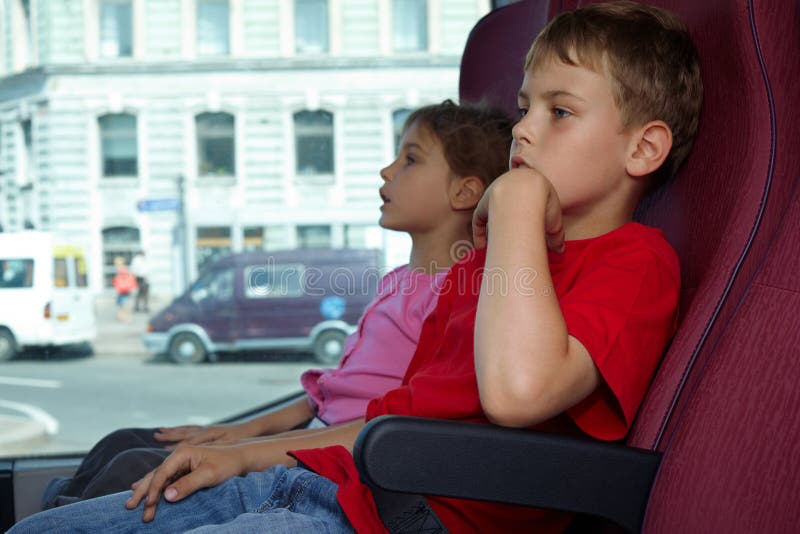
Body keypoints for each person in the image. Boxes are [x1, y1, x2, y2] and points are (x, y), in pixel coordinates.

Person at [9, 2, 703, 532]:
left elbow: (517, 394)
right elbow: (393, 419)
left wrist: (518, 200)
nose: (522, 130)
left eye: (559, 112)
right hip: (336, 480)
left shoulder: (636, 264)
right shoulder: (482, 270)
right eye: (524, 108)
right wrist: (248, 453)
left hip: (393, 515)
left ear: (642, 150)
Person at [38, 100, 515, 510]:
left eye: (410, 159)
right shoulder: (399, 281)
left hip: (345, 460)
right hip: (314, 437)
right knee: (123, 441)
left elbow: (387, 420)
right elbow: (326, 394)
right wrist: (232, 432)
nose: (387, 171)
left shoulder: (455, 296)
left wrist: (249, 447)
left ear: (464, 192)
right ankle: (60, 507)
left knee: (136, 463)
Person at [111, 256, 137, 323]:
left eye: (116, 263)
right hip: (122, 290)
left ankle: (125, 318)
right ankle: (121, 317)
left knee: (124, 305)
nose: (115, 264)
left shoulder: (122, 270)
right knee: (121, 304)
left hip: (123, 290)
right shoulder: (121, 269)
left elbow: (123, 279)